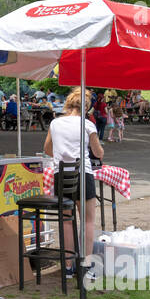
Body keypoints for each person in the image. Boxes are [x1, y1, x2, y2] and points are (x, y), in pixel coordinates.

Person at [43, 87, 105, 270]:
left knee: (66, 220)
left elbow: (47, 149)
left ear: (68, 104)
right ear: (86, 107)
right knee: (87, 221)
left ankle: (68, 265)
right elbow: (97, 153)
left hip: (60, 176)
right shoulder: (87, 125)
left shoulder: (55, 123)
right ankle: (85, 264)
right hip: (83, 174)